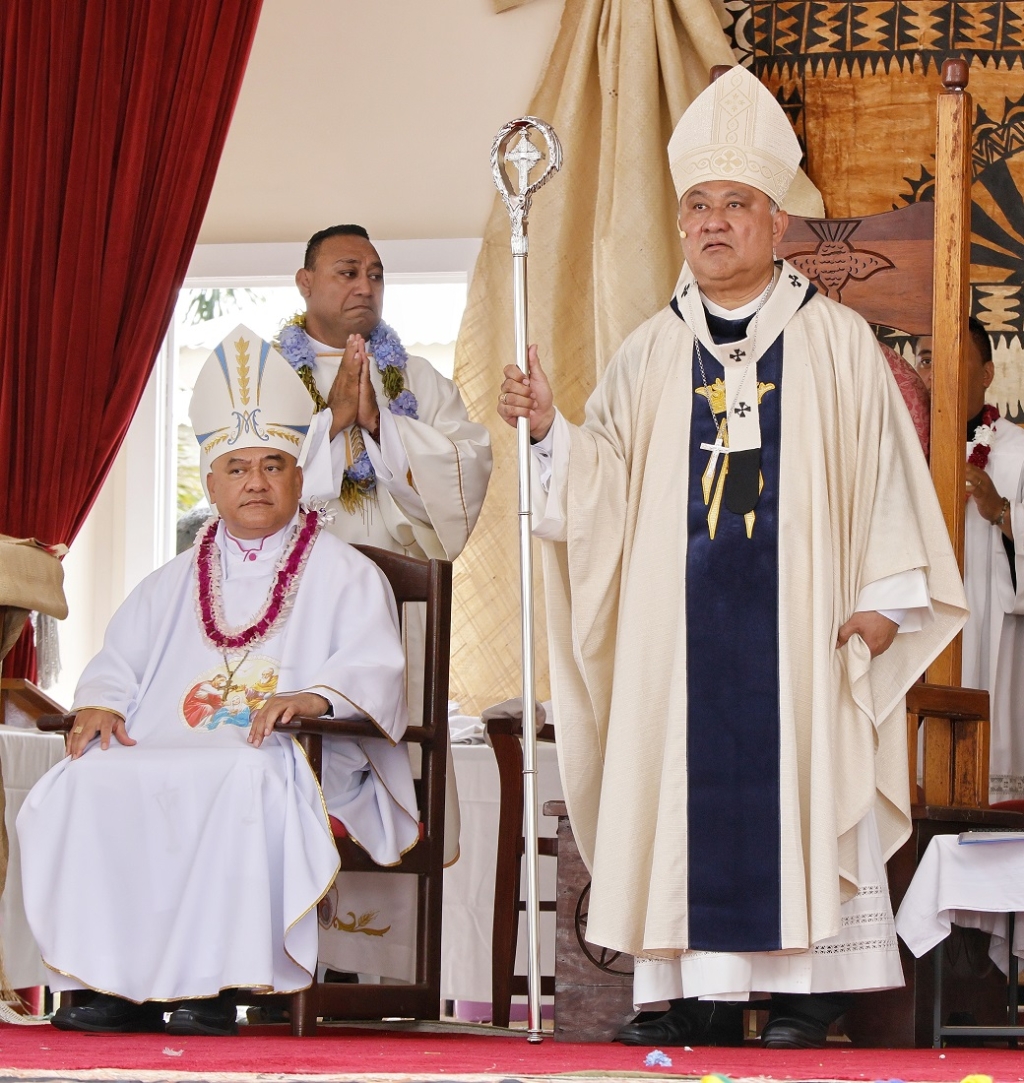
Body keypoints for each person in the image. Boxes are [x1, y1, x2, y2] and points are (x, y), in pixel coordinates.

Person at [498, 65, 967, 1049]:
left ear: (776, 219)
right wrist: (549, 433)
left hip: (801, 634)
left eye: (735, 204)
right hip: (679, 639)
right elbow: (602, 492)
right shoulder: (648, 354)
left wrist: (883, 603)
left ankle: (803, 991)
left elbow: (886, 479)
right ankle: (695, 989)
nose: (712, 223)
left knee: (802, 769)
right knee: (680, 775)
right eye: (697, 206)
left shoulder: (839, 344)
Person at [17, 328, 417, 1035]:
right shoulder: (170, 581)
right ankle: (108, 983)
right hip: (170, 744)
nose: (255, 481)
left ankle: (216, 986)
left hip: (292, 754)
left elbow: (371, 665)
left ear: (300, 474)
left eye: (272, 464)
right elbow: (118, 659)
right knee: (84, 778)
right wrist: (102, 701)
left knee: (241, 774)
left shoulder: (346, 572)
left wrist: (315, 696)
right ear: (210, 484)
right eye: (237, 467)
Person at [273, 223, 491, 979]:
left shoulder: (418, 381)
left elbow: (467, 468)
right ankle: (274, 964)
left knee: (387, 755)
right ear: (305, 284)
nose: (363, 285)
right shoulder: (268, 378)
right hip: (295, 612)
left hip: (401, 621)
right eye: (345, 271)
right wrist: (327, 422)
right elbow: (240, 478)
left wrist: (378, 425)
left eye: (374, 272)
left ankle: (380, 976)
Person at [959, 316, 1024, 804]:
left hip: (991, 630)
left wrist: (1000, 511)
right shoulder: (906, 444)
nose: (934, 372)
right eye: (924, 360)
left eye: (952, 360)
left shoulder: (1018, 450)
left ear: (986, 374)